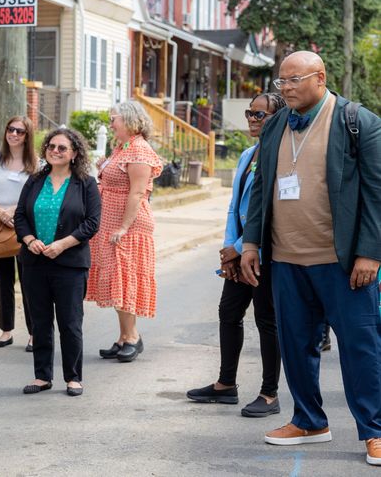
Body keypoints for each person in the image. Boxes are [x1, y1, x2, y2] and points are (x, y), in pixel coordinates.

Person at [237, 51, 381, 465]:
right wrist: (251, 244)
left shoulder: (357, 122)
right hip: (285, 260)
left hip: (343, 262)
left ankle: (374, 429)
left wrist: (370, 253)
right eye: (281, 81)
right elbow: (262, 186)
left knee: (361, 347)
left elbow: (376, 193)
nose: (285, 89)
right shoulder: (277, 123)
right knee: (296, 345)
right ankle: (309, 420)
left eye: (293, 80)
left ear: (320, 78)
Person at [186, 93, 286, 418]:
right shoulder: (247, 155)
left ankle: (270, 394)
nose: (253, 120)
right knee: (229, 311)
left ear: (278, 118)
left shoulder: (283, 157)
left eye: (261, 115)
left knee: (266, 319)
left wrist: (242, 247)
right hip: (240, 251)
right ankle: (226, 384)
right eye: (250, 113)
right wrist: (230, 250)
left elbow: (275, 211)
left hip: (266, 252)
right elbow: (235, 208)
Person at [14, 128, 101, 397]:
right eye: (51, 146)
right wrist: (29, 240)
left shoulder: (85, 183)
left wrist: (63, 244)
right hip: (35, 262)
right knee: (39, 322)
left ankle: (73, 377)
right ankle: (42, 377)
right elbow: (20, 216)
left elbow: (92, 223)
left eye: (62, 148)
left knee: (70, 322)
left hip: (70, 264)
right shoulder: (36, 180)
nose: (55, 151)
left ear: (74, 153)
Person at [86, 101, 163, 363]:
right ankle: (123, 337)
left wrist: (123, 226)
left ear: (129, 120)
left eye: (113, 119)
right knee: (116, 279)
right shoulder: (122, 147)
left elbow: (138, 192)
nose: (110, 124)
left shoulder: (139, 150)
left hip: (128, 223)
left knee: (125, 278)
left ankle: (132, 337)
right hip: (111, 220)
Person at [0, 115, 38, 351]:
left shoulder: (36, 164)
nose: (13, 134)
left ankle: (34, 333)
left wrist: (16, 210)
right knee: (3, 281)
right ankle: (6, 330)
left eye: (19, 131)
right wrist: (2, 212)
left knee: (30, 282)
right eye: (10, 129)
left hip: (27, 228)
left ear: (27, 136)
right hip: (0, 226)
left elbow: (38, 195)